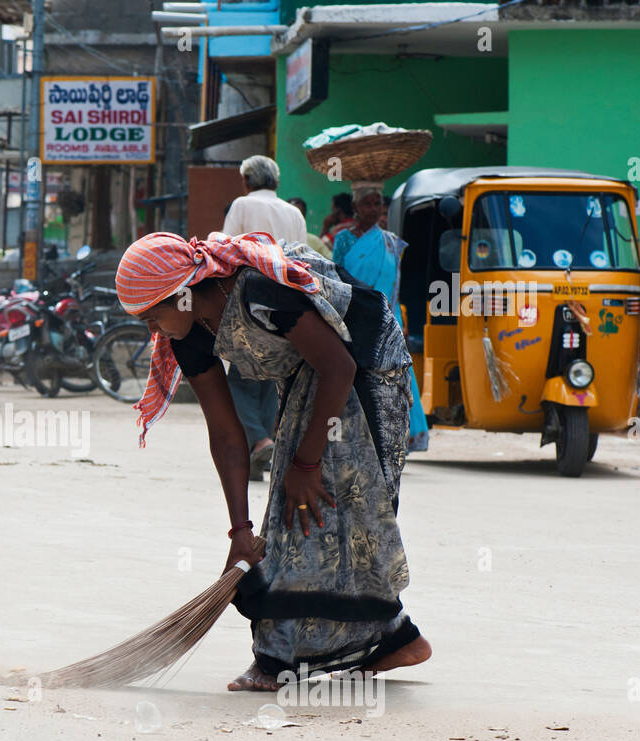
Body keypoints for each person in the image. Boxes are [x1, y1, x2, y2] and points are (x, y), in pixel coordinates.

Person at [117, 230, 429, 690]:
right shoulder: (187, 337)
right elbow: (226, 435)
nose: (152, 331)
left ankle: (281, 660)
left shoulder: (260, 291)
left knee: (336, 510)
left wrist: (305, 466)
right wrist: (239, 532)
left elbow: (339, 366)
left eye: (152, 315)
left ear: (182, 295)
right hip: (312, 375)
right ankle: (394, 640)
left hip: (364, 367)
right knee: (296, 515)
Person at [221, 155, 306, 482]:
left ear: (246, 181)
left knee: (239, 380)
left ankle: (259, 439)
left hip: (249, 300)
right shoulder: (293, 213)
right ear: (277, 182)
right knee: (271, 378)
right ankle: (260, 451)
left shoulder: (242, 206)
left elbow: (227, 252)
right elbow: (301, 259)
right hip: (289, 304)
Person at [331, 183, 429, 451]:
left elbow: (394, 285)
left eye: (377, 204)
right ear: (355, 208)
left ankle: (396, 438)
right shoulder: (343, 239)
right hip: (354, 316)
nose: (373, 209)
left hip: (386, 317)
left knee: (393, 376)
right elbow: (337, 275)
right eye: (367, 204)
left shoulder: (390, 242)